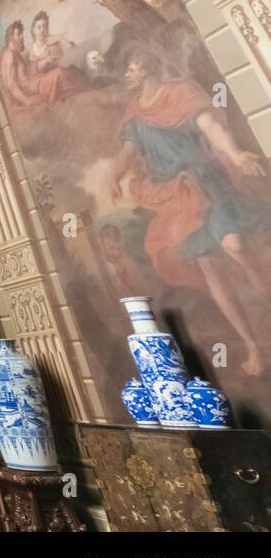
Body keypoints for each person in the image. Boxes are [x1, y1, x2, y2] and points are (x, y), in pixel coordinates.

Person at [110, 49, 271, 375]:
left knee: (235, 245)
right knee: (211, 266)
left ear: (145, 66)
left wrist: (236, 153)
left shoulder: (180, 93)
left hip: (205, 181)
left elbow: (211, 127)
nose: (127, 75)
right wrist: (115, 175)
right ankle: (254, 345)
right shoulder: (135, 113)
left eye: (130, 67)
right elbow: (128, 151)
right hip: (175, 195)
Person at [0, 20, 87, 109]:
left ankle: (83, 84)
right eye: (18, 34)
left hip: (36, 82)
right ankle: (84, 86)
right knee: (59, 74)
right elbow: (11, 85)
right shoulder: (9, 56)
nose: (22, 37)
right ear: (11, 38)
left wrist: (45, 61)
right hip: (33, 87)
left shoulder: (16, 55)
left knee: (67, 70)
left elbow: (29, 69)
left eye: (21, 34)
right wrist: (27, 101)